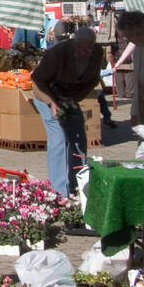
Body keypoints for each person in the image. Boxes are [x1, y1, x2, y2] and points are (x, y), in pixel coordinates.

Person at [31, 26, 103, 196]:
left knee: (78, 138)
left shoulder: (97, 53)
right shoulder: (57, 53)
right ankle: (59, 192)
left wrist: (75, 98)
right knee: (58, 138)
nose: (84, 51)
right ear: (73, 43)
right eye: (80, 47)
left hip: (69, 97)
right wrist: (52, 103)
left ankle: (78, 186)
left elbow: (93, 80)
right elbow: (37, 80)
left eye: (88, 47)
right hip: (46, 94)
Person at [109, 11, 144, 126]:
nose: (128, 39)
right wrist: (134, 111)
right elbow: (137, 81)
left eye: (129, 36)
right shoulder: (138, 47)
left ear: (138, 31)